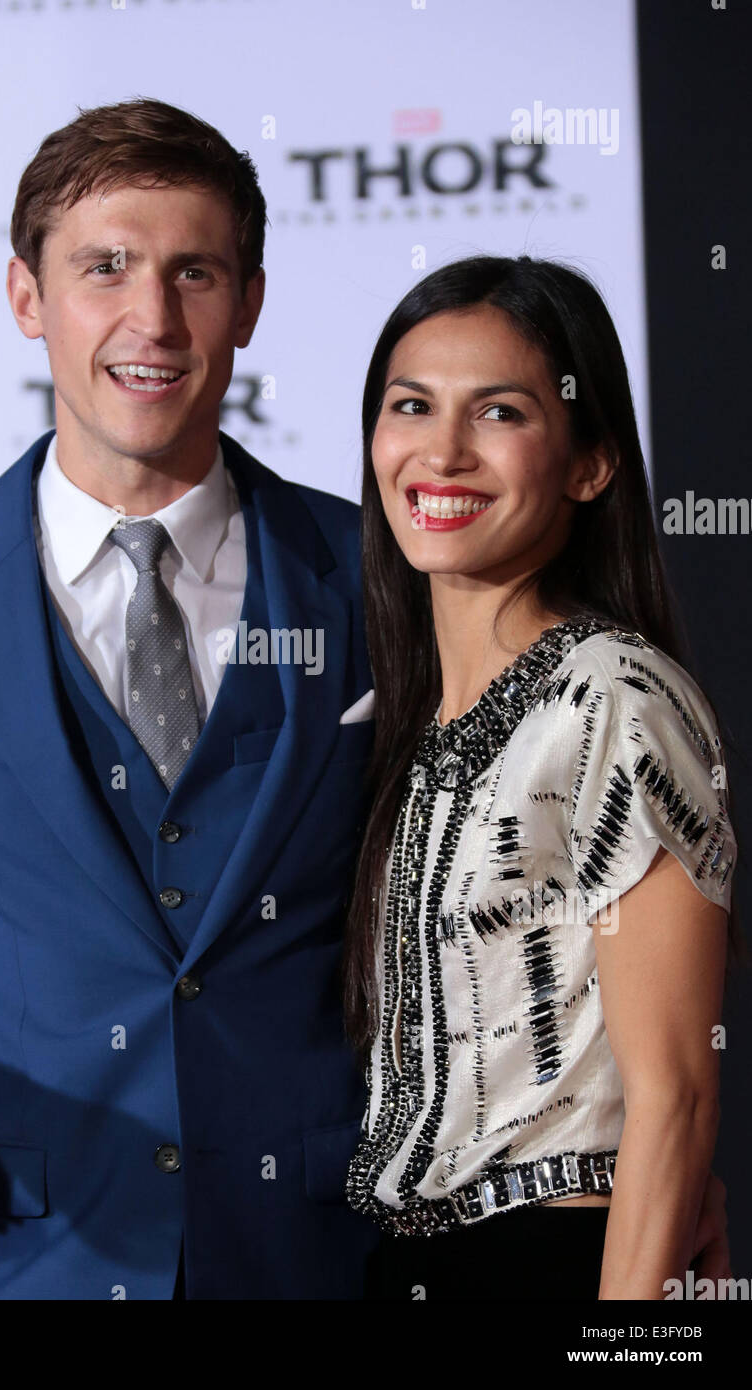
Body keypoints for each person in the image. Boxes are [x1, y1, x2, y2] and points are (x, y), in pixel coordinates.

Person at [0, 97, 380, 1300]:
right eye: (102, 267)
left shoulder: (384, 582)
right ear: (25, 298)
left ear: (250, 303)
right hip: (5, 1262)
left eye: (193, 271)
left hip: (316, 1254)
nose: (149, 318)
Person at [342, 254, 740, 1300]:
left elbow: (676, 1098)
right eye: (411, 405)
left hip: (558, 1263)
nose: (441, 451)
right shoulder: (405, 715)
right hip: (409, 1267)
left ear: (589, 463)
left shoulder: (612, 695)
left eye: (499, 413)